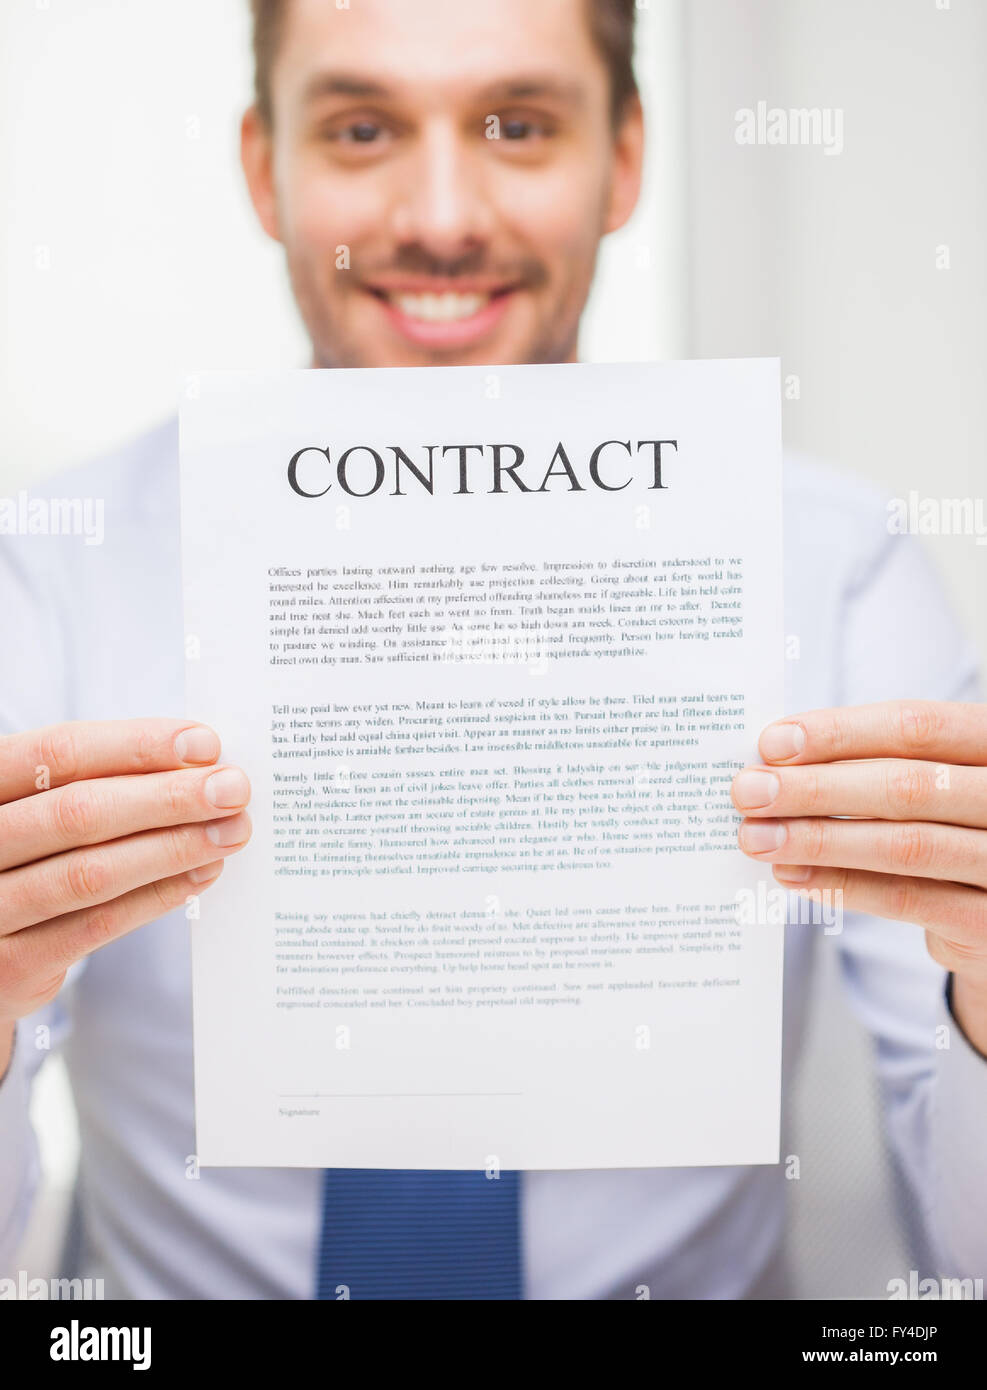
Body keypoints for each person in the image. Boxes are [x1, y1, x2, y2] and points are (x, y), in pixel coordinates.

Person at [1, 0, 985, 1301]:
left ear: (625, 156)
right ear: (264, 166)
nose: (444, 214)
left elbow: (960, 1260)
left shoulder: (842, 566)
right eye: (363, 128)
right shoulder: (49, 570)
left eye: (518, 124)